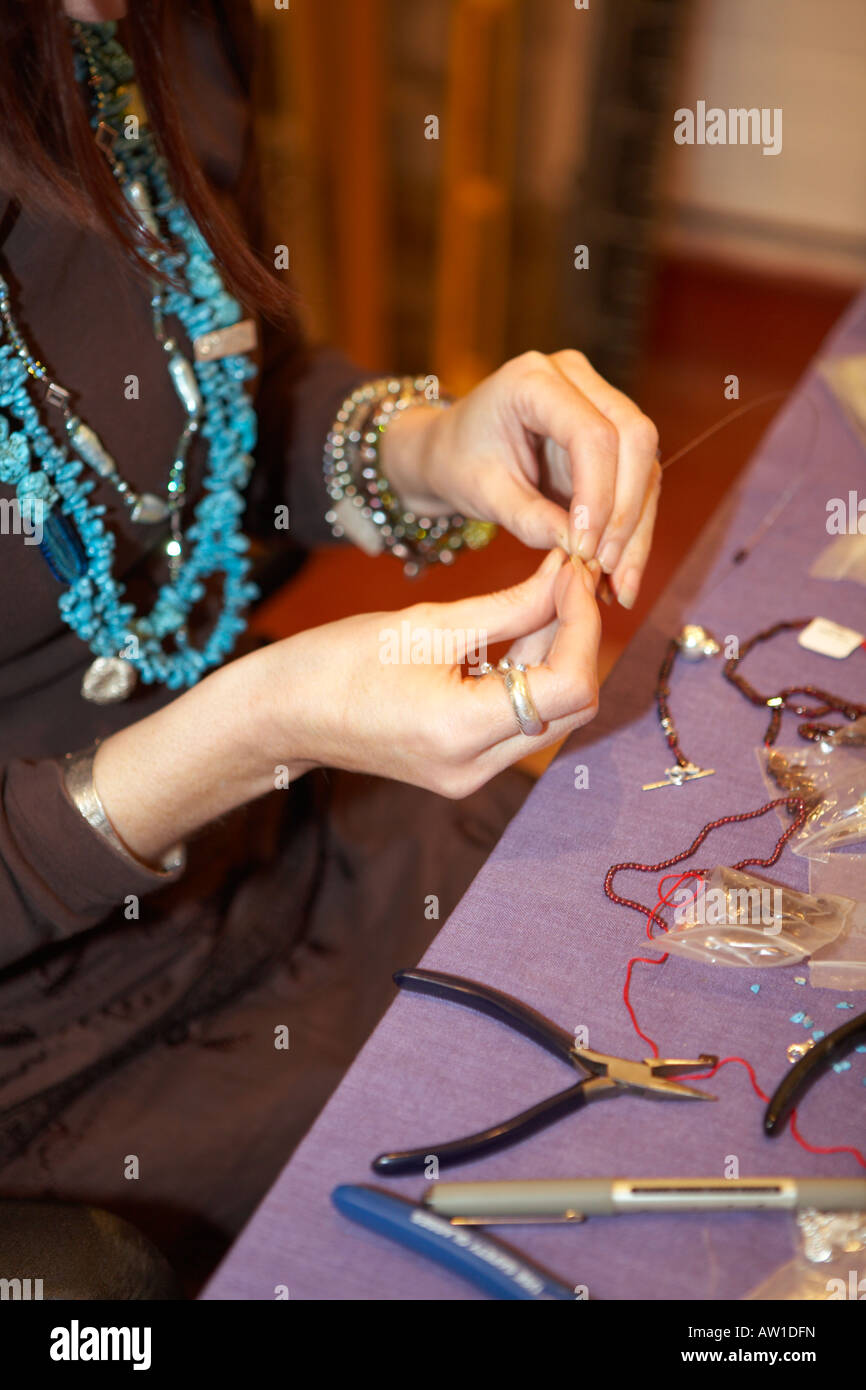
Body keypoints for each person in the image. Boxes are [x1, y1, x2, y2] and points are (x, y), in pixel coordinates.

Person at [0, 0, 660, 1287]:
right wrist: (256, 727)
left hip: (275, 863)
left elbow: (194, 409)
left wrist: (423, 447)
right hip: (54, 1061)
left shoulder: (122, 34)